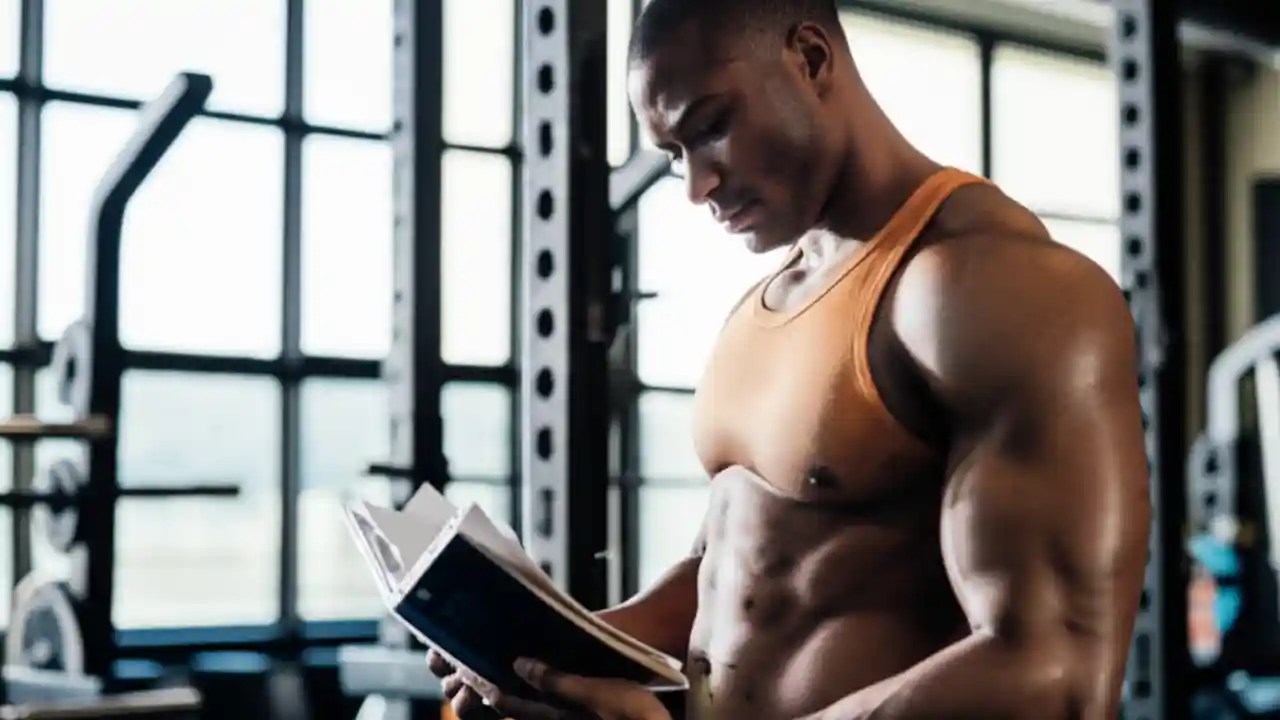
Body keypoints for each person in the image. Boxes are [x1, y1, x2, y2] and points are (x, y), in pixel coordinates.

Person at [430, 0, 1151, 717]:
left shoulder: (990, 287)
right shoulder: (765, 304)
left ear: (810, 59)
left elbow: (1053, 674)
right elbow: (737, 574)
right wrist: (545, 656)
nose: (695, 187)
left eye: (710, 127)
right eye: (673, 154)